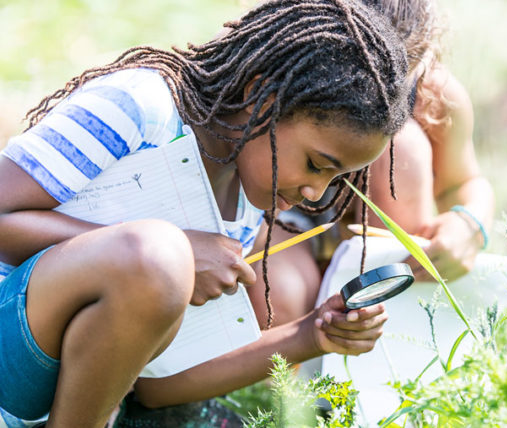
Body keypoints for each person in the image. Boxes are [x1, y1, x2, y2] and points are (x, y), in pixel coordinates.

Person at [0, 0, 410, 427]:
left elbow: (158, 385)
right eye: (315, 164)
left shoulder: (246, 204)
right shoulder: (142, 107)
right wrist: (174, 254)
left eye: (336, 178)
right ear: (261, 98)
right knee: (157, 255)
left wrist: (312, 334)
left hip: (54, 398)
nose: (314, 192)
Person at [247, 0, 495, 327]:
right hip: (278, 216)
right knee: (277, 296)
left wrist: (469, 225)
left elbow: (462, 182)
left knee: (402, 150)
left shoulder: (434, 95)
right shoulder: (269, 56)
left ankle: (390, 324)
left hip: (375, 224)